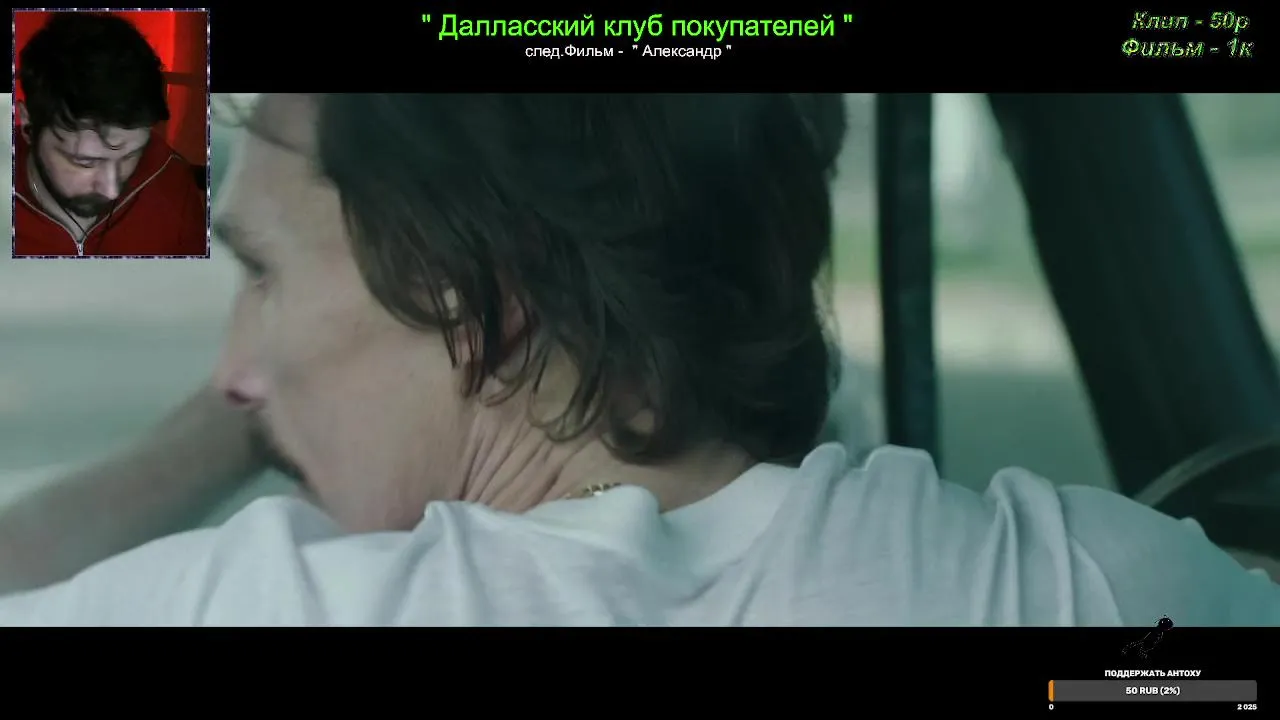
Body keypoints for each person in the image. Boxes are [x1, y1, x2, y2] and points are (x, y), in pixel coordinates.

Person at [0, 93, 1275, 626]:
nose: (234, 368)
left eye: (265, 274)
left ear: (467, 298)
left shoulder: (257, 604)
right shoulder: (1074, 587)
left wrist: (241, 425)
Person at [12, 12, 206, 258]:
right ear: (28, 123)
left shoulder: (172, 181)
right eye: (85, 161)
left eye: (131, 155)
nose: (112, 190)